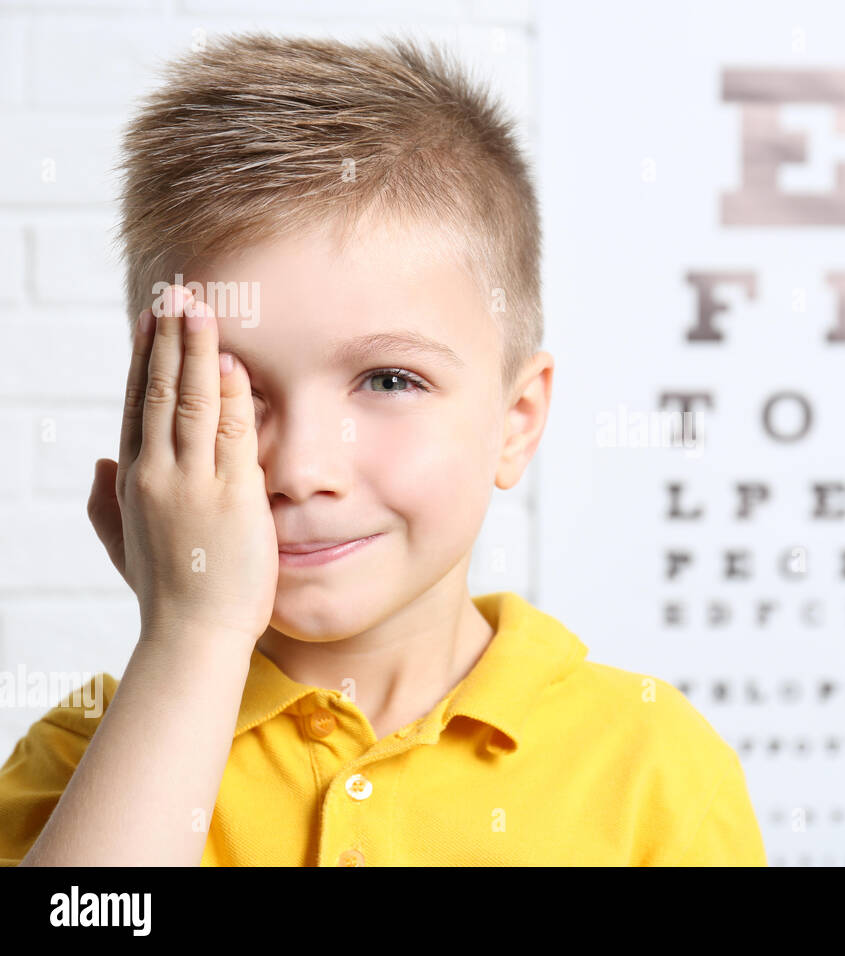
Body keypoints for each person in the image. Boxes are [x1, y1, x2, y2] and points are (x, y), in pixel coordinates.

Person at [0, 32, 765, 867]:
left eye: (389, 381)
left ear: (515, 420)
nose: (301, 470)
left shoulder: (653, 769)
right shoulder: (87, 756)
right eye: (236, 394)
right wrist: (193, 636)